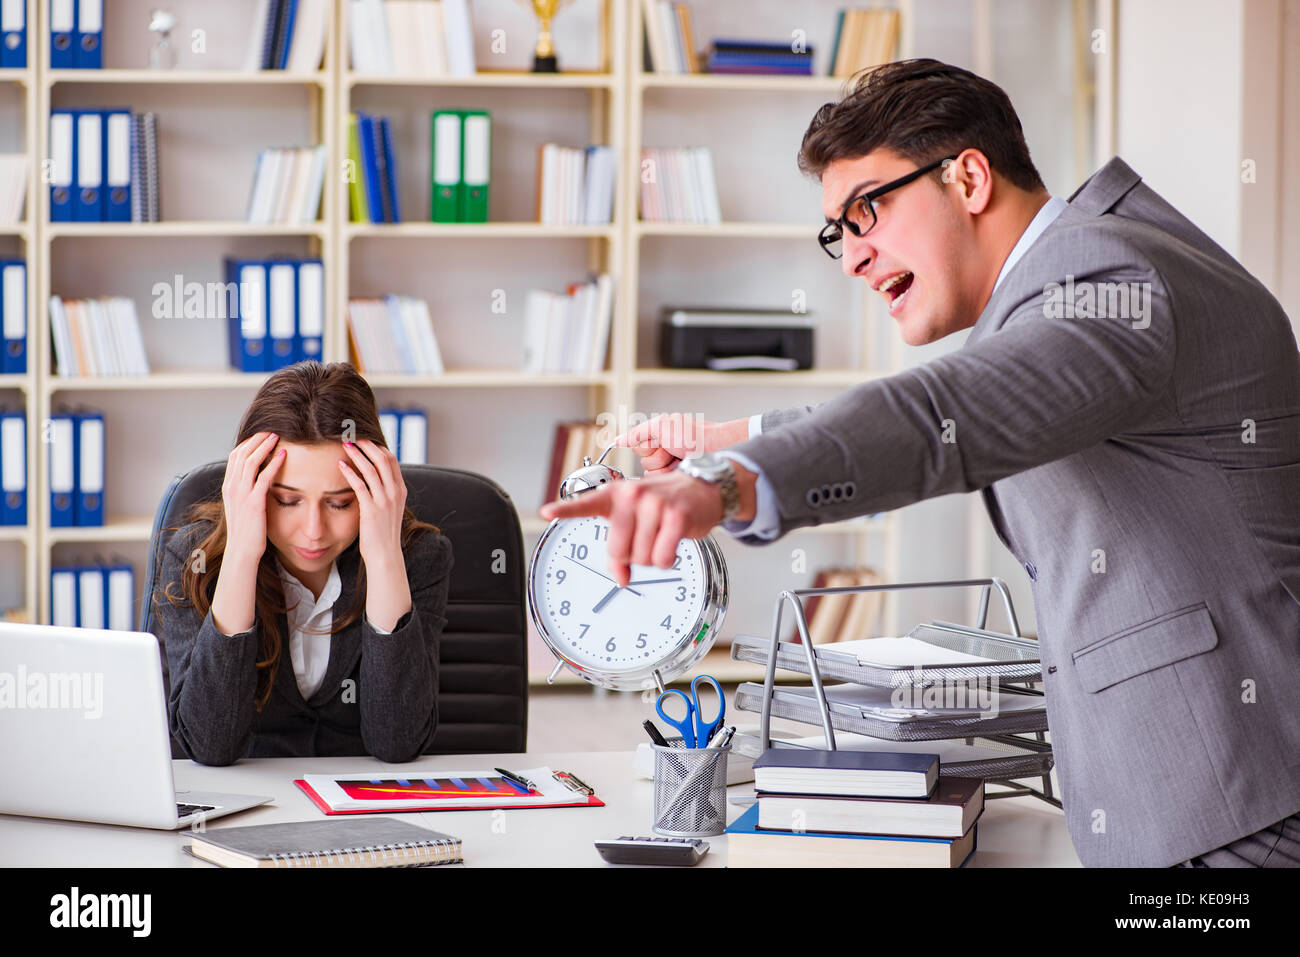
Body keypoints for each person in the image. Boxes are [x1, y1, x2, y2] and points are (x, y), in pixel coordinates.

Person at [541, 59, 1300, 868]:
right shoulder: (1075, 275)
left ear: (968, 177)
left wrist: (728, 482)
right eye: (838, 233)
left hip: (1239, 805)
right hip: (1210, 800)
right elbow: (965, 401)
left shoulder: (1110, 277)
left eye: (866, 212)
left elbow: (951, 410)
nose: (852, 259)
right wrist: (730, 439)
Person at [154, 361, 453, 765]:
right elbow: (211, 745)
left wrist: (383, 557)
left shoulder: (418, 557)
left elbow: (397, 742)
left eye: (339, 502)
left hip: (368, 814)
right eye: (287, 500)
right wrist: (242, 552)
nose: (313, 530)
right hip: (251, 811)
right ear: (250, 487)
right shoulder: (195, 559)